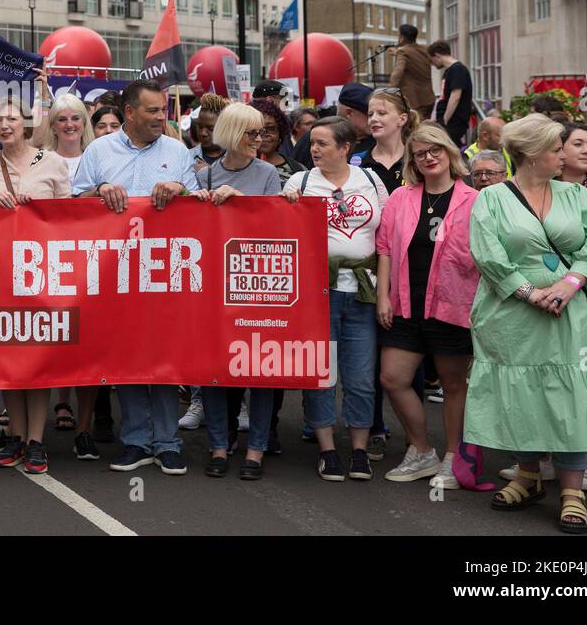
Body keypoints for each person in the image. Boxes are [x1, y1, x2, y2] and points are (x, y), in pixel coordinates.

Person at [467, 113, 587, 533]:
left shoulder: (576, 195)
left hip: (569, 313)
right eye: (555, 149)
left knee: (571, 398)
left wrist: (570, 283)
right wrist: (529, 292)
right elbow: (488, 253)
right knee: (520, 396)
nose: (563, 155)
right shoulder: (491, 199)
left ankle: (572, 491)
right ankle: (528, 476)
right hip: (511, 314)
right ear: (531, 155)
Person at [72, 79, 203, 476]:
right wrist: (100, 190)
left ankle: (167, 443)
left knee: (163, 355)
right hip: (116, 273)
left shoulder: (177, 151)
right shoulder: (98, 150)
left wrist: (180, 187)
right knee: (126, 355)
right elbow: (75, 202)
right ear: (129, 113)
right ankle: (135, 441)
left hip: (165, 273)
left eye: (164, 110)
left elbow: (197, 205)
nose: (161, 117)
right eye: (153, 111)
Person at [281, 116, 389, 481]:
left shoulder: (371, 181)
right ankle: (328, 450)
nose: (314, 149)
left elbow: (387, 237)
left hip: (362, 291)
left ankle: (359, 450)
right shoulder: (301, 181)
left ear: (346, 148)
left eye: (322, 143)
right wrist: (288, 202)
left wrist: (387, 294)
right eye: (312, 143)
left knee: (360, 375)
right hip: (317, 295)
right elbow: (279, 228)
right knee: (321, 374)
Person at [0, 95, 72, 473]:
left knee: (37, 360)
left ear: (27, 124)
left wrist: (42, 209)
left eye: (12, 118)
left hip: (42, 275)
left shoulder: (53, 163)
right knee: (10, 360)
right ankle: (14, 436)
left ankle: (36, 442)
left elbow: (70, 219)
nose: (4, 125)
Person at [376, 124, 478, 489]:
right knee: (393, 378)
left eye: (434, 150)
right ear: (413, 161)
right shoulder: (401, 198)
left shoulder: (474, 200)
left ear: (449, 153)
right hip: (405, 303)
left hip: (452, 304)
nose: (428, 158)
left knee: (452, 383)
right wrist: (384, 296)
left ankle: (453, 456)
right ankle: (421, 450)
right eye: (420, 153)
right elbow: (385, 248)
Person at [196, 103, 281, 480]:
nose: (259, 139)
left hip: (257, 286)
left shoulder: (267, 173)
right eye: (251, 133)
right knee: (214, 369)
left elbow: (276, 227)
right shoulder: (206, 175)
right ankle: (218, 444)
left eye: (261, 132)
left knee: (260, 371)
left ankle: (256, 448)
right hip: (215, 287)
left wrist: (242, 204)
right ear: (231, 133)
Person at [292, 83, 376, 169]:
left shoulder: (380, 141)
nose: (375, 119)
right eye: (369, 114)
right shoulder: (313, 138)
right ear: (349, 113)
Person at [355, 88, 417, 194]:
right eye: (370, 114)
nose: (373, 119)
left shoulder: (417, 159)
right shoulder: (357, 162)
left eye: (381, 113)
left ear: (402, 119)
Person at [41, 92, 93, 188]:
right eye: (62, 119)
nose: (69, 125)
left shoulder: (95, 158)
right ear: (53, 126)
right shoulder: (40, 158)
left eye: (75, 118)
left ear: (85, 123)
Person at [428, 41, 472, 146]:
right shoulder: (450, 71)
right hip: (447, 122)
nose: (432, 64)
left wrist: (445, 120)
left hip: (453, 122)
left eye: (431, 60)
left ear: (437, 55)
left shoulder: (458, 70)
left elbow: (455, 96)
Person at [254, 98, 305, 186]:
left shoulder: (298, 171)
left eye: (271, 129)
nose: (263, 134)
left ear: (280, 134)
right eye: (256, 130)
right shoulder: (236, 168)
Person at [388, 23, 436, 116]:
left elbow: (398, 72)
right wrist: (398, 53)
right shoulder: (424, 49)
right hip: (428, 98)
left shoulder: (403, 51)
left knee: (413, 128)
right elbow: (415, 57)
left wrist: (390, 90)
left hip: (413, 101)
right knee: (424, 127)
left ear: (401, 37)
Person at [188, 93, 229, 172]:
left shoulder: (238, 159)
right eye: (200, 127)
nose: (203, 133)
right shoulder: (187, 158)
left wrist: (211, 173)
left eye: (210, 128)